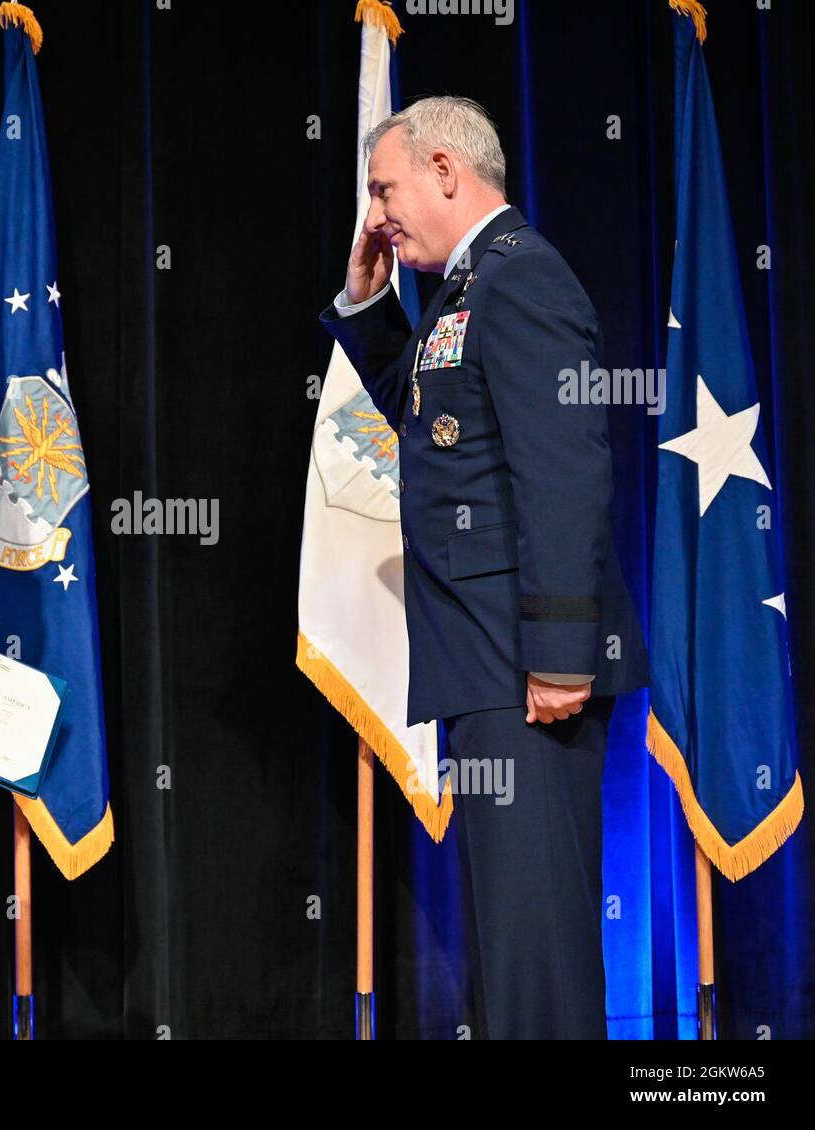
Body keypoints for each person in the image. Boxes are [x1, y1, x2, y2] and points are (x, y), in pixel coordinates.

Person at [320, 96, 648, 1038]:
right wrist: (368, 308)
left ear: (446, 172)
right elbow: (433, 425)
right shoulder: (470, 290)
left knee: (537, 954)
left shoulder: (523, 280)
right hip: (489, 667)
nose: (377, 211)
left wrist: (559, 654)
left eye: (384, 188)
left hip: (527, 670)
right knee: (516, 946)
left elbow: (565, 472)